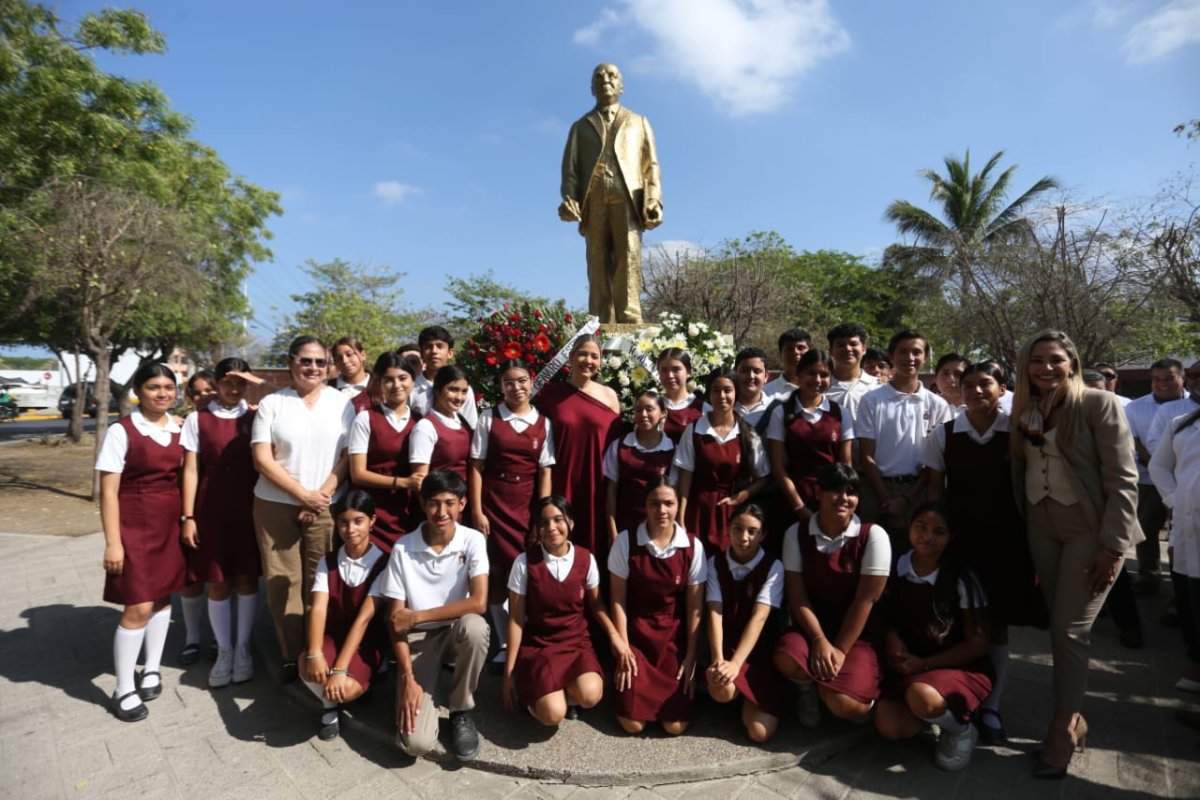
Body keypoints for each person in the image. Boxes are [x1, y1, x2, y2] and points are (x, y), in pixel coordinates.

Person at [1010, 329, 1141, 779]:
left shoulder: (1098, 403)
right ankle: (1075, 717)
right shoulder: (1026, 406)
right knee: (1058, 629)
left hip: (1088, 530)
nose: (1046, 368)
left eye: (1055, 360)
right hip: (1041, 528)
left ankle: (1063, 728)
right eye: (1037, 360)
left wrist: (1114, 545)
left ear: (1073, 363)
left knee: (1071, 633)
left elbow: (1124, 478)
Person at [922, 361, 1044, 743]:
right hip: (961, 541)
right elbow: (934, 492)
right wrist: (934, 536)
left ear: (1002, 387)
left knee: (997, 625)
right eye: (968, 384)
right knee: (963, 620)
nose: (975, 391)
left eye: (984, 384)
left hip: (1006, 541)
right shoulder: (943, 434)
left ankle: (991, 707)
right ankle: (960, 696)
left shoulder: (1019, 432)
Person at [251, 335, 357, 682]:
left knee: (319, 583)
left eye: (320, 362)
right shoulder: (272, 404)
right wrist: (301, 494)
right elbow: (262, 459)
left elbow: (347, 457)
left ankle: (317, 651)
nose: (313, 368)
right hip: (275, 505)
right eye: (305, 360)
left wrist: (321, 495)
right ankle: (290, 653)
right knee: (283, 582)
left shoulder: (342, 403)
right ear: (290, 362)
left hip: (326, 506)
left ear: (329, 367)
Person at [96, 363, 186, 722]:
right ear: (138, 390)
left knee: (164, 598)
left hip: (170, 525)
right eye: (153, 387)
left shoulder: (181, 428)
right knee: (137, 605)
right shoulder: (123, 431)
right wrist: (113, 542)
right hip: (135, 524)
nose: (162, 393)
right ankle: (123, 687)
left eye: (168, 387)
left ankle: (151, 668)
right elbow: (108, 492)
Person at [875, 503, 993, 772]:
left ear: (950, 538)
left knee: (923, 697)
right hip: (910, 663)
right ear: (909, 528)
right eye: (921, 527)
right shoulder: (896, 566)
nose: (928, 536)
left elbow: (978, 643)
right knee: (890, 727)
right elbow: (886, 614)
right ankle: (931, 718)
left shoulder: (962, 579)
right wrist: (892, 637)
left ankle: (961, 729)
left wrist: (925, 664)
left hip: (954, 666)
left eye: (938, 531)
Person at [774, 464, 891, 729]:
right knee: (785, 656)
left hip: (858, 635)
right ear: (818, 493)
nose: (844, 498)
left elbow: (866, 600)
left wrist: (839, 649)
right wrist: (818, 640)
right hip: (813, 629)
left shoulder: (873, 536)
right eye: (835, 490)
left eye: (851, 492)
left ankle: (847, 693)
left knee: (841, 703)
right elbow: (798, 595)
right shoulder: (796, 533)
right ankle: (809, 692)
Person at [383, 471, 489, 760]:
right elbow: (396, 623)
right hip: (418, 640)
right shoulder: (403, 548)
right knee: (415, 744)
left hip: (455, 629)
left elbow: (479, 602)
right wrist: (406, 678)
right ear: (422, 504)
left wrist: (417, 616)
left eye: (449, 503)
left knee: (476, 628)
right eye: (433, 503)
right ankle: (422, 687)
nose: (441, 512)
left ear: (463, 504)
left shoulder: (473, 540)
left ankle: (460, 709)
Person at [558, 62, 662, 324]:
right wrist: (569, 199)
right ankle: (599, 318)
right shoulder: (580, 127)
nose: (605, 79)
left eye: (612, 75)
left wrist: (653, 200)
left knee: (629, 256)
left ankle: (629, 315)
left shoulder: (639, 121)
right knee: (597, 261)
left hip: (628, 199)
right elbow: (570, 170)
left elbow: (651, 167)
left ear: (621, 85)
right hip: (594, 201)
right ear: (592, 87)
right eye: (599, 76)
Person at [468, 360, 555, 670]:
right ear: (500, 386)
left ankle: (528, 636)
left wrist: (542, 517)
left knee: (526, 572)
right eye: (508, 382)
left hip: (525, 508)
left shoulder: (543, 423)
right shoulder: (489, 419)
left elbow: (545, 472)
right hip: (494, 506)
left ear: (531, 383)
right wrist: (477, 511)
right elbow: (476, 467)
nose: (516, 388)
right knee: (495, 574)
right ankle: (504, 641)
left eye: (521, 381)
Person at [180, 358, 261, 688]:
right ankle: (224, 650)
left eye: (240, 382)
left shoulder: (257, 416)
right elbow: (190, 470)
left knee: (246, 579)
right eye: (227, 381)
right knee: (217, 581)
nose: (233, 388)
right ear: (215, 383)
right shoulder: (197, 419)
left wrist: (256, 384)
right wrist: (188, 517)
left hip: (250, 508)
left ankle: (243, 648)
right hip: (211, 508)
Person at [504, 496, 617, 726]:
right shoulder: (524, 563)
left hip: (575, 643)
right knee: (552, 715)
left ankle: (564, 692)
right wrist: (509, 673)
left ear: (571, 523)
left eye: (558, 520)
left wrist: (615, 636)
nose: (551, 528)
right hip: (540, 645)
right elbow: (516, 620)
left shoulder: (586, 559)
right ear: (537, 528)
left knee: (591, 695)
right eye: (544, 523)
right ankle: (539, 697)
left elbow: (596, 605)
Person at [608, 476, 706, 735]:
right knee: (632, 724)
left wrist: (691, 656)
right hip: (637, 635)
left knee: (675, 726)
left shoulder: (693, 547)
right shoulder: (625, 542)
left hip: (673, 638)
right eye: (654, 503)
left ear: (677, 506)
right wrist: (623, 648)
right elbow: (617, 600)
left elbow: (695, 608)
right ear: (645, 506)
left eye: (668, 503)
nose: (661, 510)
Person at [301, 490, 390, 741]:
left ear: (372, 521)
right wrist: (316, 652)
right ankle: (329, 706)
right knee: (306, 666)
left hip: (366, 641)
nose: (350, 529)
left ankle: (357, 684)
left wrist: (338, 669)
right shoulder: (327, 561)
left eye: (358, 521)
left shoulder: (384, 563)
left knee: (347, 687)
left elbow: (364, 619)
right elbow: (318, 607)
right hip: (335, 633)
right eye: (343, 522)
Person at [857, 330, 953, 543]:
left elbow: (935, 461)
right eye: (903, 352)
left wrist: (905, 499)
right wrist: (887, 500)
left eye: (916, 352)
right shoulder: (871, 400)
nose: (910, 358)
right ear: (891, 357)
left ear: (925, 357)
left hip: (917, 492)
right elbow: (866, 456)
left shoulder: (937, 405)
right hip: (876, 491)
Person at [537, 334, 622, 567]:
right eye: (582, 354)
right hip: (563, 479)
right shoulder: (551, 396)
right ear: (571, 357)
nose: (588, 360)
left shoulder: (610, 396)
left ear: (601, 362)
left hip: (598, 483)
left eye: (594, 356)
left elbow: (617, 446)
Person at [704, 502, 786, 742]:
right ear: (728, 529)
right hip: (727, 645)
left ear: (763, 535)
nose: (744, 537)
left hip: (758, 652)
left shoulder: (774, 567)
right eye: (738, 529)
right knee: (722, 690)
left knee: (760, 733)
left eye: (752, 531)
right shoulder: (714, 564)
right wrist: (719, 660)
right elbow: (714, 612)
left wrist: (736, 664)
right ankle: (735, 693)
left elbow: (759, 618)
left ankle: (747, 696)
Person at [675, 367, 770, 555]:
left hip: (732, 512)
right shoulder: (695, 431)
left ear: (736, 392)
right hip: (698, 509)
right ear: (709, 394)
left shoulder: (747, 434)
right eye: (716, 390)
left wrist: (741, 496)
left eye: (727, 390)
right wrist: (681, 519)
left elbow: (764, 477)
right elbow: (685, 477)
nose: (722, 396)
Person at [766, 349, 854, 527]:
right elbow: (778, 466)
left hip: (832, 496)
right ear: (799, 375)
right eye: (811, 373)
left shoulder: (840, 413)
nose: (817, 380)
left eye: (824, 375)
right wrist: (799, 507)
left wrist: (838, 500)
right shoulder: (781, 413)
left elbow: (846, 464)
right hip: (792, 497)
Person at [348, 352, 423, 553]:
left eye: (402, 378)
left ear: (413, 382)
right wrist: (402, 483)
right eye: (388, 380)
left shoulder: (421, 421)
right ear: (379, 384)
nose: (397, 385)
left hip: (407, 511)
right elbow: (358, 473)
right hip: (373, 511)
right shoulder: (366, 419)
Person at [1149, 404, 1200, 696]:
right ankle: (1197, 660)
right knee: (1190, 595)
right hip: (1187, 527)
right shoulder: (1181, 424)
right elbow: (1159, 465)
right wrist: (1175, 499)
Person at [1124, 358, 1185, 596]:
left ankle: (1183, 582)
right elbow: (1133, 440)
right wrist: (1158, 464)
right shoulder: (1135, 408)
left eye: (1169, 378)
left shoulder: (1193, 406)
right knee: (1146, 527)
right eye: (1156, 379)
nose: (1162, 384)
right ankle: (1149, 574)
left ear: (1182, 378)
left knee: (1180, 532)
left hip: (1185, 481)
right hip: (1149, 480)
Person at [179, 368, 218, 662]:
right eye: (197, 392)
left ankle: (220, 638)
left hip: (216, 504)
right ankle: (192, 637)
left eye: (209, 389)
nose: (204, 396)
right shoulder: (183, 424)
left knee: (219, 576)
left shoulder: (235, 419)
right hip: (187, 506)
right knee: (191, 577)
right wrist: (186, 515)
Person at [604, 389, 675, 543]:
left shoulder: (672, 449)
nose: (643, 414)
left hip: (661, 529)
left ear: (663, 413)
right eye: (638, 410)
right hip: (626, 527)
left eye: (649, 409)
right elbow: (611, 492)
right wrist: (612, 533)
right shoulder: (619, 446)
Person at [409, 365, 472, 483]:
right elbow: (419, 480)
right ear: (437, 390)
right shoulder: (425, 428)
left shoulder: (462, 423)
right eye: (453, 390)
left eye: (464, 391)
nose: (459, 397)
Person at [411, 326, 479, 428]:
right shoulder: (411, 388)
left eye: (439, 346)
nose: (434, 351)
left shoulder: (464, 389)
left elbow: (471, 426)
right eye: (428, 347)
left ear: (450, 353)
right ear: (421, 353)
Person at [824, 322, 879, 423]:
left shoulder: (877, 386)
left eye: (853, 344)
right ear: (831, 351)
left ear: (863, 349)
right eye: (841, 345)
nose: (848, 349)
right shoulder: (821, 386)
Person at [657, 348, 704, 444]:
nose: (670, 375)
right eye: (664, 370)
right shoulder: (652, 407)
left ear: (688, 372)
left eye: (676, 369)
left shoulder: (702, 409)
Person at [764, 328, 813, 399]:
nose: (795, 352)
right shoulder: (766, 392)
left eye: (800, 348)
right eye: (789, 349)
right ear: (780, 354)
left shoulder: (821, 388)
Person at [733, 346, 773, 430]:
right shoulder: (725, 406)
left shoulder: (775, 409)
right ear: (735, 374)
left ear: (766, 376)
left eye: (757, 371)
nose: (751, 376)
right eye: (745, 371)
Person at [328, 336, 372, 412]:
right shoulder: (327, 389)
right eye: (338, 358)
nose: (345, 361)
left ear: (363, 355)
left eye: (349, 354)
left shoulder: (380, 387)